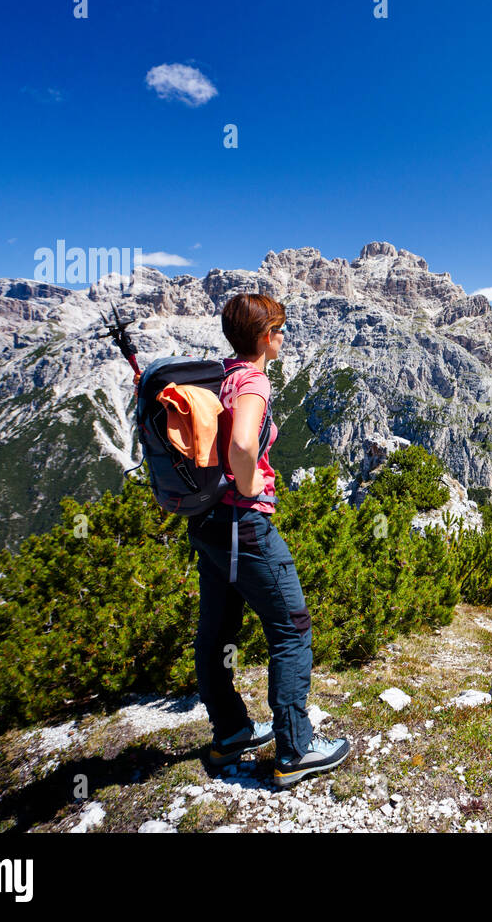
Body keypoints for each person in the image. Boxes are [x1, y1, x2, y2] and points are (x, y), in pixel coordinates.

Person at [186, 293, 349, 788]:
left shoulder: (222, 373)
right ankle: (295, 748)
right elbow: (241, 445)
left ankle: (232, 732)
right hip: (244, 525)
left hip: (209, 524)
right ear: (264, 337)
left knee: (215, 632)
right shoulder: (253, 379)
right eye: (279, 329)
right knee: (292, 628)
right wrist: (251, 484)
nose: (284, 337)